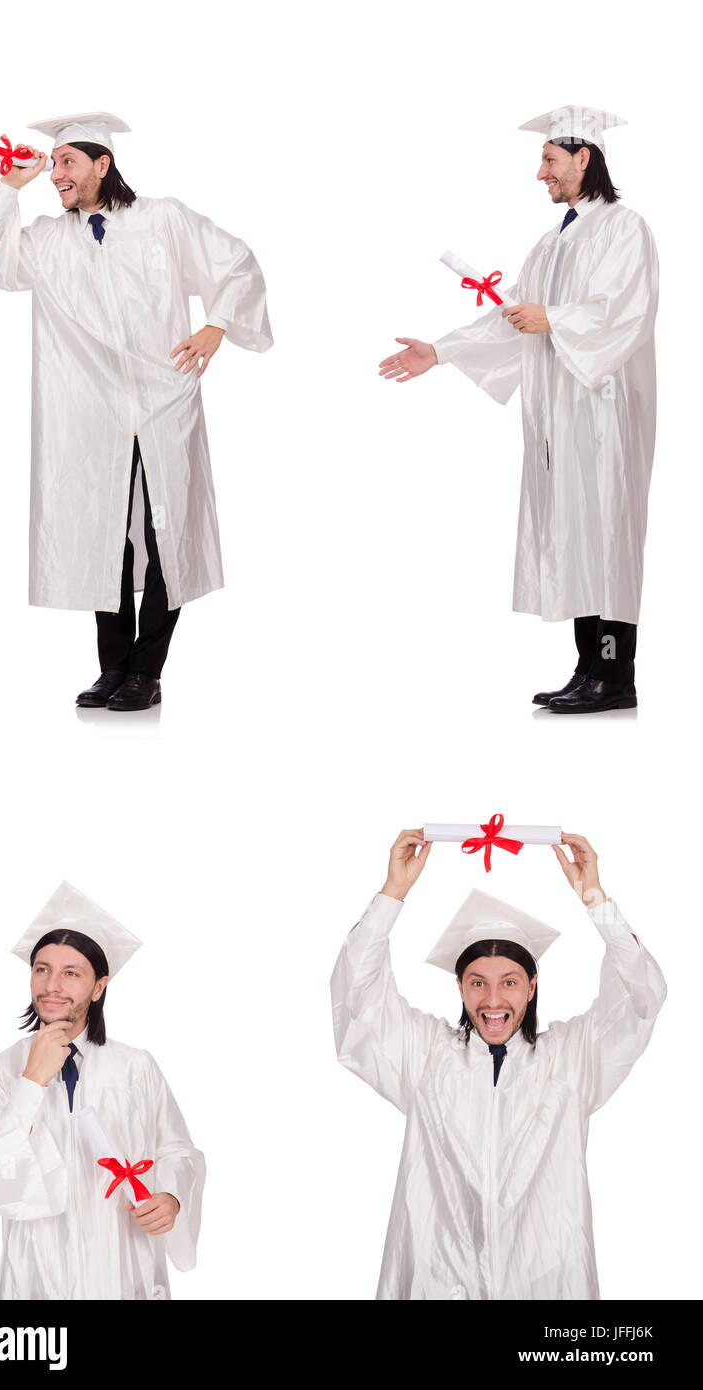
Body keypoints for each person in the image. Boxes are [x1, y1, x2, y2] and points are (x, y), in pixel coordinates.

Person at [0, 112, 272, 711]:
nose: (56, 175)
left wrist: (216, 326)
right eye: (53, 165)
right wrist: (9, 187)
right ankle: (113, 667)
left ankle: (147, 670)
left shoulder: (163, 220)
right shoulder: (49, 240)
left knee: (164, 532)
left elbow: (237, 262)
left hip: (163, 397)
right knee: (106, 536)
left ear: (103, 164)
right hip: (89, 406)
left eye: (67, 163)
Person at [379, 106, 658, 714]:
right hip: (564, 418)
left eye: (550, 160)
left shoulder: (623, 229)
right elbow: (514, 321)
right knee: (580, 536)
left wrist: (552, 318)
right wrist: (443, 351)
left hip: (604, 415)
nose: (541, 173)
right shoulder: (554, 240)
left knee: (607, 535)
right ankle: (589, 669)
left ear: (585, 158)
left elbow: (625, 313)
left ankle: (615, 675)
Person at [331, 828, 665, 1300]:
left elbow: (640, 999)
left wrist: (596, 899)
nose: (493, 1000)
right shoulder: (425, 1057)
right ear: (460, 987)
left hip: (547, 1284)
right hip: (439, 1280)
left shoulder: (570, 1062)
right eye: (477, 982)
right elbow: (357, 998)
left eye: (509, 982)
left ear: (531, 986)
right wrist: (393, 893)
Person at [0, 881, 205, 1300]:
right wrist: (31, 1082)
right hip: (38, 1270)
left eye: (70, 973)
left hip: (124, 1265)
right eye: (42, 969)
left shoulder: (135, 1067)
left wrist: (171, 1197)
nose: (52, 985)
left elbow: (178, 1150)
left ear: (98, 987)